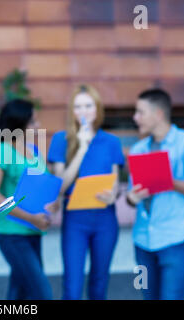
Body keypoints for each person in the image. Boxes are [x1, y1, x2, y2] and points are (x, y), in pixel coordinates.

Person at [127, 88, 184, 300]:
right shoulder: (138, 149)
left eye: (140, 112)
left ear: (158, 114)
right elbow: (130, 195)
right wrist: (132, 198)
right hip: (141, 243)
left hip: (174, 241)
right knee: (147, 296)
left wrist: (166, 181)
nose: (135, 118)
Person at [47, 84, 125, 300]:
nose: (83, 111)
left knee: (99, 285)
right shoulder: (61, 139)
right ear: (71, 111)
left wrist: (113, 195)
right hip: (75, 220)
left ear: (97, 108)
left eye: (88, 105)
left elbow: (115, 183)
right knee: (72, 287)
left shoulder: (111, 141)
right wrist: (81, 148)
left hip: (105, 219)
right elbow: (60, 186)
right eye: (78, 106)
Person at [0, 99, 53, 300]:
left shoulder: (34, 152)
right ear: (18, 124)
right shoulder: (3, 150)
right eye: (33, 122)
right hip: (12, 234)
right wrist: (31, 218)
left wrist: (51, 206)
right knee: (42, 294)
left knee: (20, 292)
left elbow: (43, 188)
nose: (37, 126)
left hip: (33, 231)